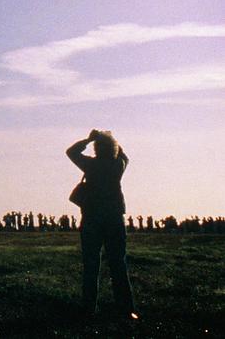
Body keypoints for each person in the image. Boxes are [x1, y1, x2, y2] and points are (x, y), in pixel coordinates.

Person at [66, 129, 138, 321]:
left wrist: (89, 139)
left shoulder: (90, 165)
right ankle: (126, 308)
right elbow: (125, 156)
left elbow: (71, 152)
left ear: (97, 149)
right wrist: (112, 140)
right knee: (118, 264)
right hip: (114, 218)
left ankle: (88, 308)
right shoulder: (118, 166)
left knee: (91, 264)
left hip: (91, 217)